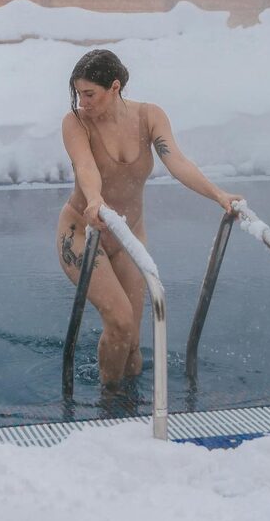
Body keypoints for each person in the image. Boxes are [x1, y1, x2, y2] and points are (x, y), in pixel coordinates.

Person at [56, 48, 242, 391]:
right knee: (120, 322)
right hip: (84, 232)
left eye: (89, 94)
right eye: (78, 94)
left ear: (114, 87)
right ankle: (108, 406)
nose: (82, 103)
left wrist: (218, 195)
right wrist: (95, 200)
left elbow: (178, 162)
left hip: (128, 236)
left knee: (132, 348)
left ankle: (132, 410)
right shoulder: (76, 122)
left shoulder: (149, 117)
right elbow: (86, 167)